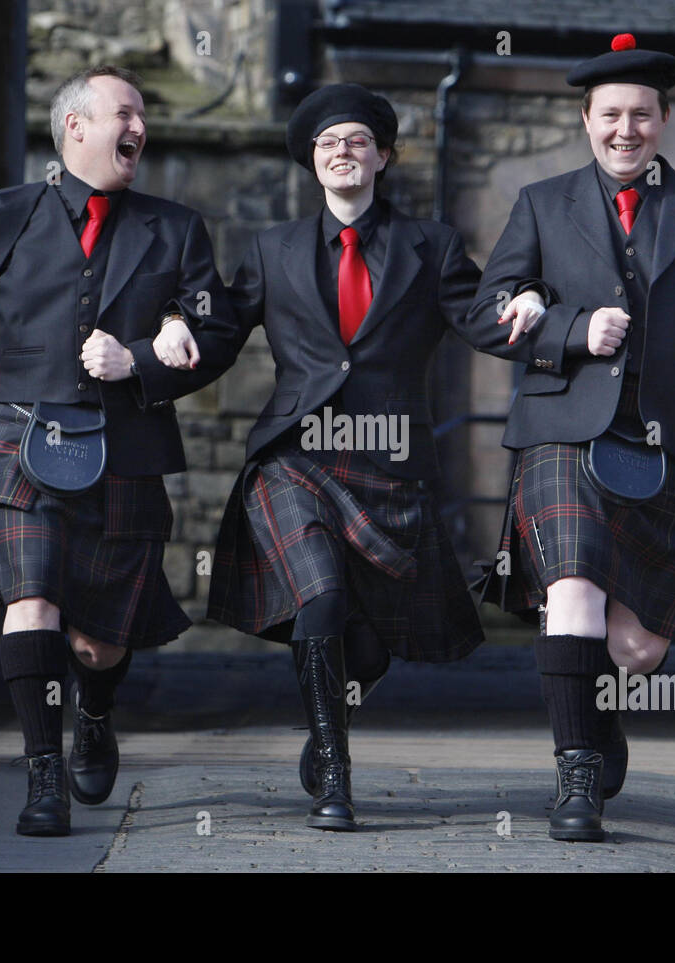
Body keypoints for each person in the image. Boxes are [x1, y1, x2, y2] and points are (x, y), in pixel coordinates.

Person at [0, 66, 237, 837]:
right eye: (124, 112)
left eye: (142, 116)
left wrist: (143, 360)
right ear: (75, 127)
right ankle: (42, 776)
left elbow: (219, 330)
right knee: (31, 603)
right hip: (17, 439)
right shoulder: (3, 214)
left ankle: (94, 711)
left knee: (99, 643)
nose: (139, 127)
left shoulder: (176, 228)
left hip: (123, 447)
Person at [471, 34, 675, 841]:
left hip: (668, 443)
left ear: (664, 120)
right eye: (610, 116)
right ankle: (575, 775)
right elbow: (486, 310)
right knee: (570, 593)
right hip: (563, 431)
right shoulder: (541, 202)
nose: (625, 130)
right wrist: (568, 328)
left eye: (641, 115)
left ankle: (600, 716)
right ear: (586, 119)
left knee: (636, 647)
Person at [198, 83, 485, 831]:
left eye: (358, 141)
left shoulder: (434, 247)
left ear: (383, 156)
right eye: (329, 144)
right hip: (295, 456)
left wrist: (543, 314)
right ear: (312, 163)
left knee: (367, 646)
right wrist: (151, 343)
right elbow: (219, 332)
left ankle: (331, 715)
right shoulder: (276, 248)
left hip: (389, 463)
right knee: (319, 600)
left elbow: (486, 318)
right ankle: (334, 768)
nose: (343, 152)